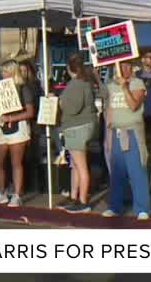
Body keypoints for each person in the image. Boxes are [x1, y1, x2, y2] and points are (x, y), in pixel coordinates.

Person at [0, 60, 37, 208]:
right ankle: (1, 193)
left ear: (13, 72)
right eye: (2, 72)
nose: (3, 74)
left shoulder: (23, 88)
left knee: (16, 163)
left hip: (18, 128)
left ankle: (17, 195)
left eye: (5, 72)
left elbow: (30, 112)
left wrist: (11, 118)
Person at [100, 60, 151, 221]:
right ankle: (115, 206)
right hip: (116, 131)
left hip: (133, 131)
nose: (124, 68)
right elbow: (110, 109)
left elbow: (134, 105)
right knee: (117, 173)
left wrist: (124, 87)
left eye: (128, 65)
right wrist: (107, 136)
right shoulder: (111, 85)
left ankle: (142, 208)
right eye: (121, 65)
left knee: (137, 170)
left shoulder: (137, 83)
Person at [56, 53, 96, 213]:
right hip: (83, 126)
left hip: (76, 127)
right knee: (75, 165)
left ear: (69, 69)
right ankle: (74, 197)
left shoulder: (76, 84)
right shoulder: (85, 83)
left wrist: (60, 102)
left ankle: (83, 201)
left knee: (80, 166)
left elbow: (74, 108)